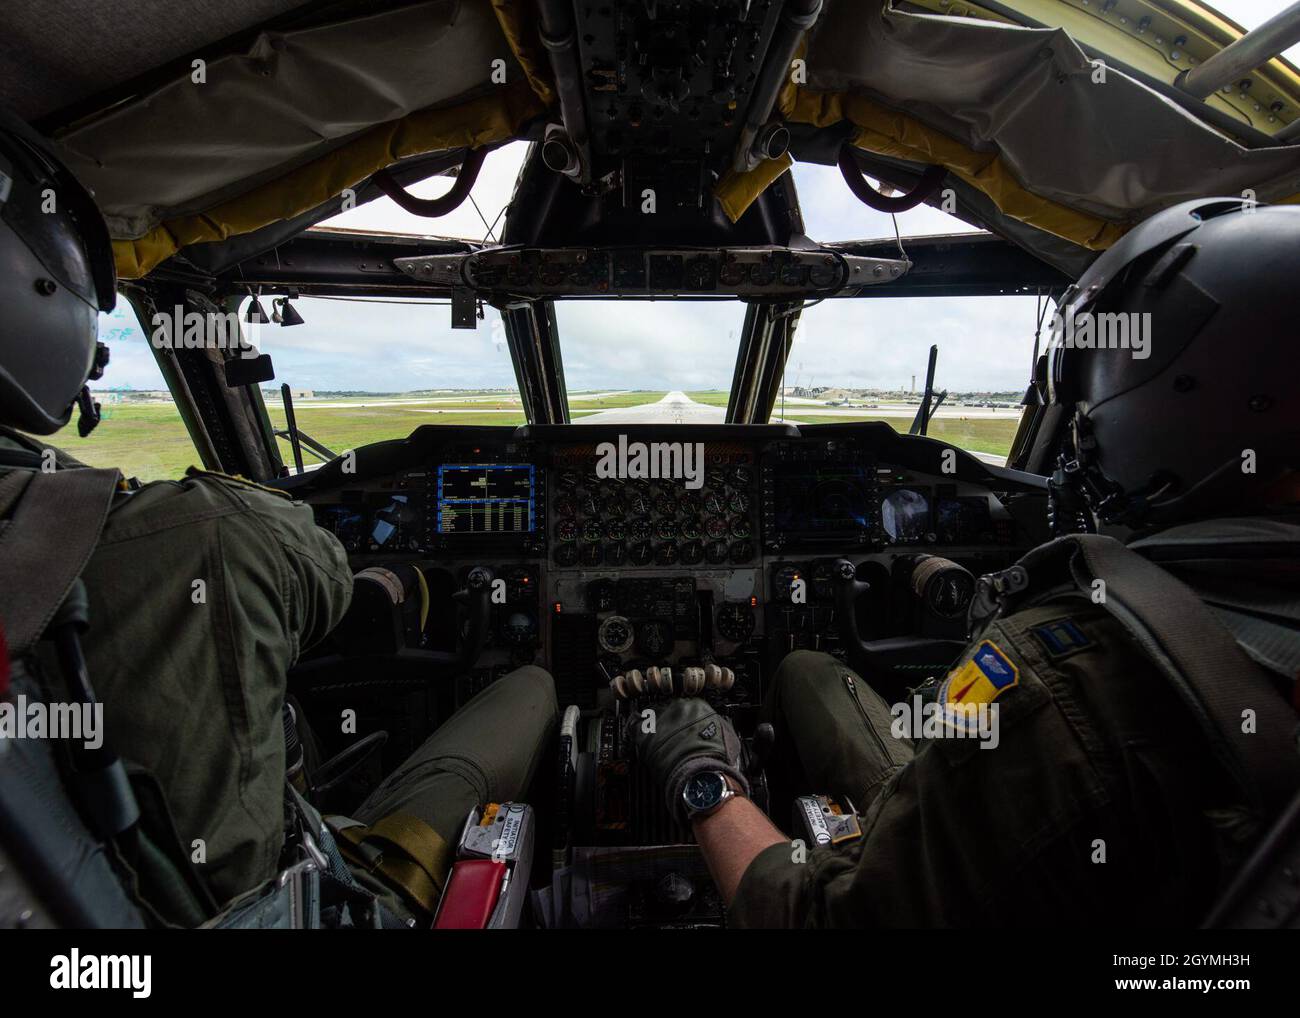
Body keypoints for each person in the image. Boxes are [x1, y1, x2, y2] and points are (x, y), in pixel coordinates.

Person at [635, 198, 1300, 927]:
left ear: (1183, 398)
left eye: (1091, 401)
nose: (1080, 433)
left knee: (797, 673)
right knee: (805, 669)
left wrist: (704, 777)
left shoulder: (1071, 680)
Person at [0, 107, 556, 927]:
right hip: (303, 903)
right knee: (539, 685)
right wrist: (380, 590)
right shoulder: (188, 537)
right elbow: (281, 558)